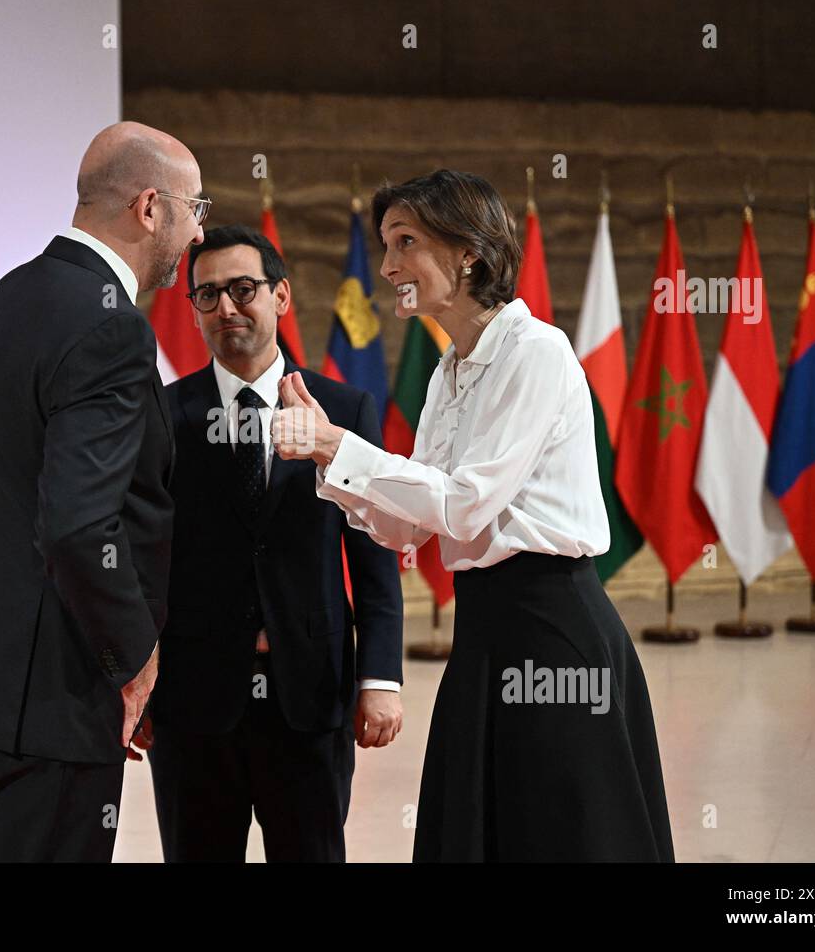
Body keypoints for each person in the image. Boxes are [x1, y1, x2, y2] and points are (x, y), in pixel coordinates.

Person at [271, 169, 675, 862]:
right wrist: (329, 467)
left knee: (559, 831)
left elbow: (465, 503)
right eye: (386, 244)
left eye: (406, 243)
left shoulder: (536, 353)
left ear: (469, 253)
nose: (389, 265)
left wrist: (343, 446)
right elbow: (411, 525)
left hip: (554, 628)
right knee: (485, 829)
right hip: (487, 628)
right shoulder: (449, 369)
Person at [0, 122, 207, 862]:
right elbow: (80, 525)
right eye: (195, 208)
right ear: (151, 208)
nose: (198, 230)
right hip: (59, 689)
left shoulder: (11, 295)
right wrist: (133, 655)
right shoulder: (109, 326)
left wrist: (19, 584)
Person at [147, 224, 404, 862]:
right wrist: (136, 679)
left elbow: (375, 559)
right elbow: (140, 564)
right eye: (207, 295)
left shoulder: (343, 407)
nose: (226, 307)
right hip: (194, 703)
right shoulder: (161, 416)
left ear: (281, 296)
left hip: (311, 696)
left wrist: (380, 677)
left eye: (243, 289)